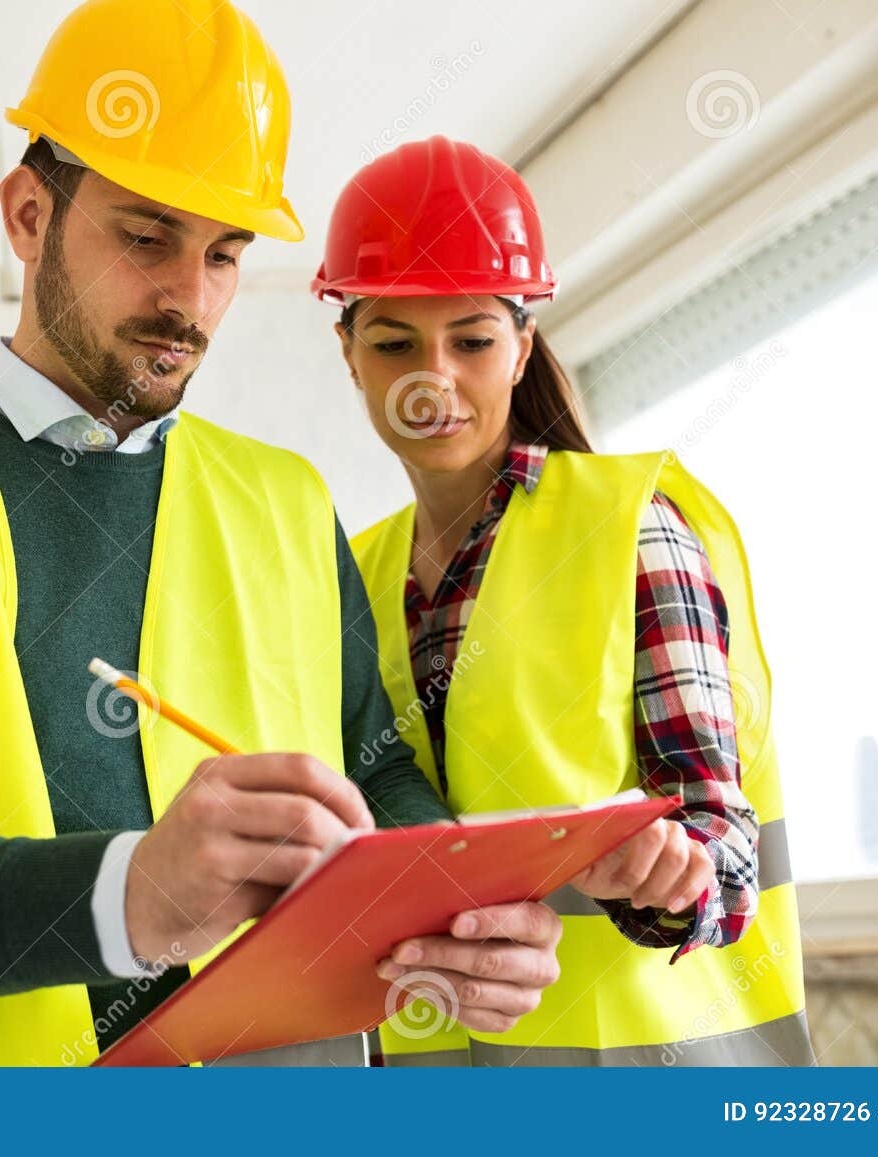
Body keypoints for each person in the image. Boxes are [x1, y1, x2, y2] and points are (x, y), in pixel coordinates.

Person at [0, 3, 561, 1067]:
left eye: (222, 253)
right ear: (28, 213)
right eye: (146, 234)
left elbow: (373, 768)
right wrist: (125, 897)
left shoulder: (286, 501)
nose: (187, 297)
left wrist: (450, 908)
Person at [316, 136, 815, 1066]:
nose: (435, 379)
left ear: (521, 347)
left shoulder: (629, 529)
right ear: (348, 354)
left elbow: (725, 844)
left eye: (472, 340)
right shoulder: (350, 572)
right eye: (394, 344)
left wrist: (673, 874)